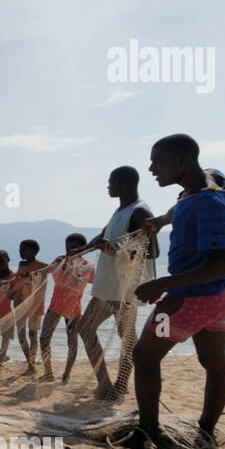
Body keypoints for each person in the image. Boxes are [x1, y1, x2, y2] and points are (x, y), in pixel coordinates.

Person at [119, 134, 225, 449]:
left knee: (144, 356)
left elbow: (223, 261)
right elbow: (186, 198)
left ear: (183, 162)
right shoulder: (214, 180)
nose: (151, 168)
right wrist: (161, 221)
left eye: (158, 162)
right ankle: (206, 432)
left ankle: (147, 432)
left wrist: (163, 285)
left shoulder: (208, 205)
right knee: (213, 361)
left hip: (193, 298)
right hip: (221, 297)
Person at [78, 166, 158, 399]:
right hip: (109, 286)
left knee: (95, 330)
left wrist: (112, 251)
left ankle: (113, 386)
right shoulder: (120, 211)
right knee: (119, 335)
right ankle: (112, 385)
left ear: (122, 184)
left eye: (111, 182)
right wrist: (77, 252)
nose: (108, 187)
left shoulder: (140, 212)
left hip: (122, 289)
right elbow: (102, 239)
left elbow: (151, 251)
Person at [37, 234, 96, 383]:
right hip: (55, 305)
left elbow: (81, 281)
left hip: (73, 308)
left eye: (74, 248)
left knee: (72, 341)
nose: (69, 251)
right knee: (44, 338)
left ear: (83, 249)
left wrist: (66, 268)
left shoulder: (87, 266)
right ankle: (48, 372)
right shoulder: (60, 259)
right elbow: (46, 271)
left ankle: (67, 373)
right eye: (67, 248)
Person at [11, 240, 49, 375]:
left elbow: (43, 286)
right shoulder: (21, 265)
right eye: (20, 249)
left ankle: (32, 363)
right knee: (21, 335)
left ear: (33, 252)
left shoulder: (42, 267)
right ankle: (30, 363)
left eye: (23, 250)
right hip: (20, 303)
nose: (20, 252)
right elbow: (16, 281)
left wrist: (32, 278)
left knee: (32, 335)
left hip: (35, 305)